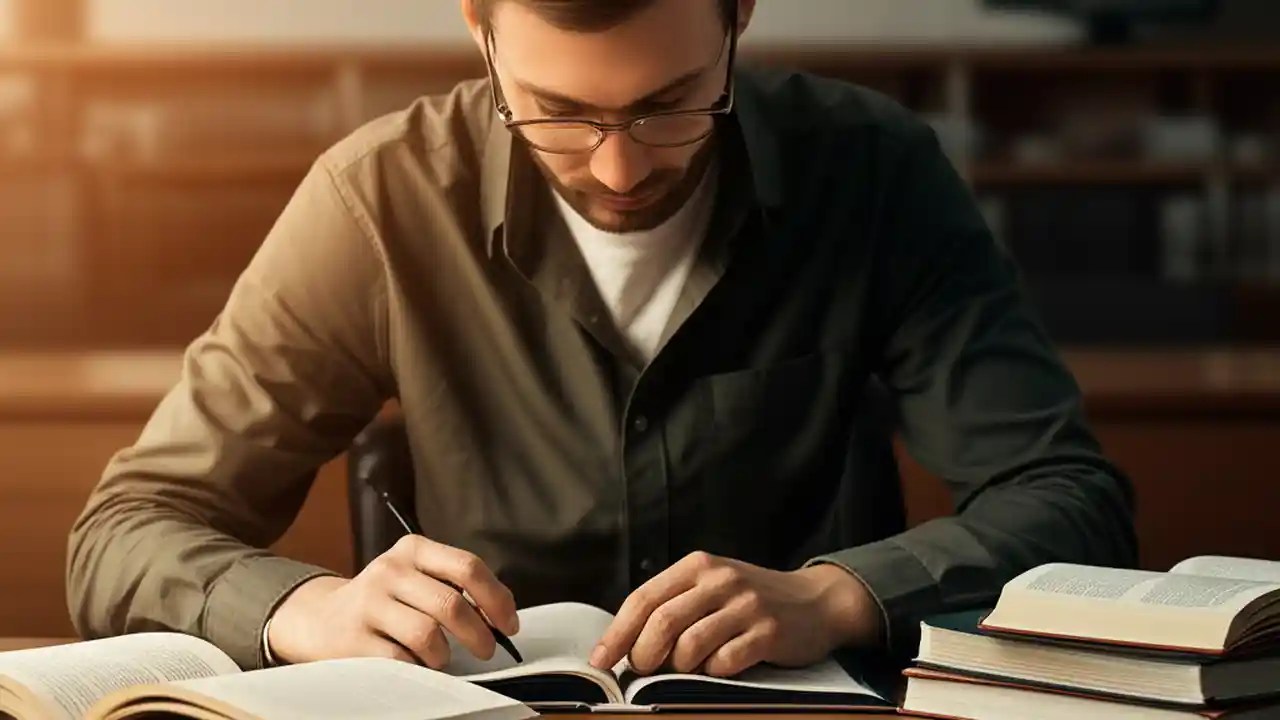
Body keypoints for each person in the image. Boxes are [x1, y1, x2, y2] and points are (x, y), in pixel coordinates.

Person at [66, 0, 1137, 677]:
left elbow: (1071, 505)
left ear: (738, 20)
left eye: (672, 107)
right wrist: (305, 607)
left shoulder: (871, 174)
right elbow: (125, 529)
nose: (618, 172)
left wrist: (834, 596)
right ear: (476, 27)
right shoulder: (379, 202)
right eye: (556, 113)